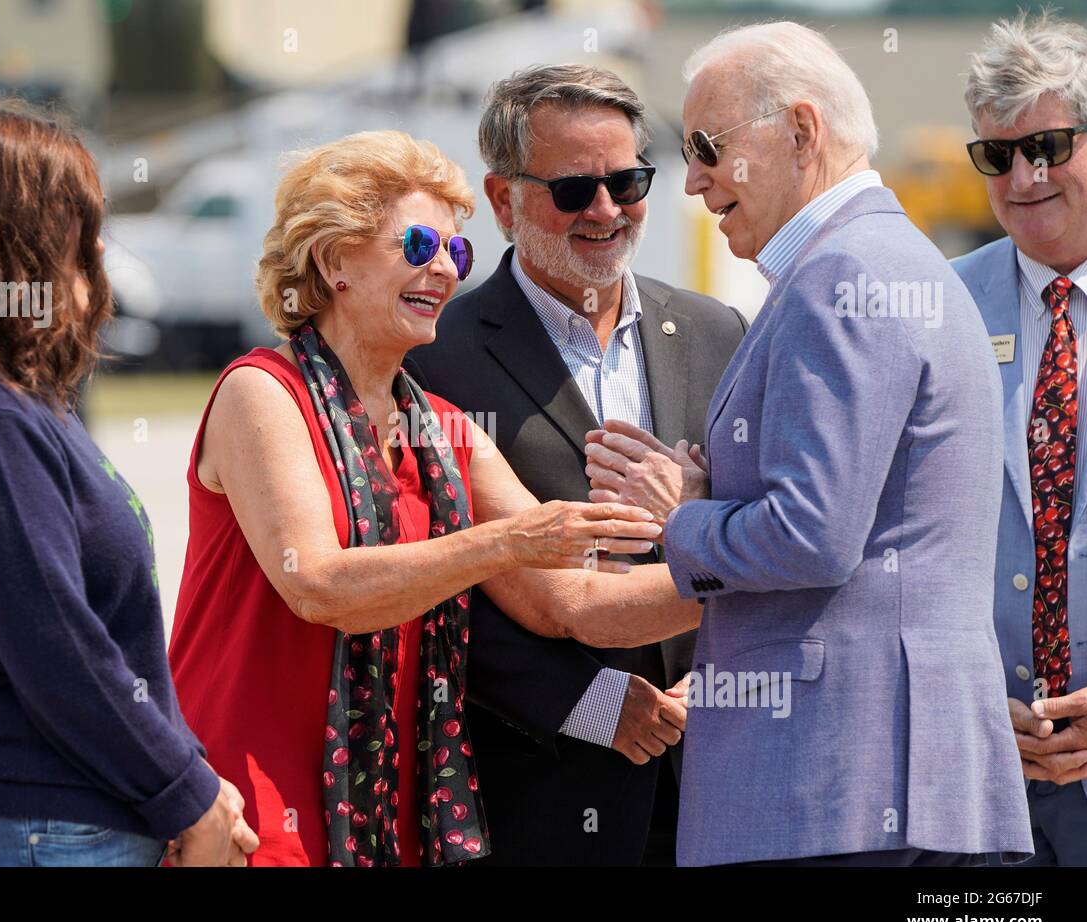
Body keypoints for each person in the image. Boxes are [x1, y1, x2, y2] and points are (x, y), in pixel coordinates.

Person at [167, 129, 702, 867]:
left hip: (385, 820)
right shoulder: (263, 393)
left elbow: (568, 600)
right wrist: (507, 542)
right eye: (419, 244)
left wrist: (745, 575)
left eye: (458, 253)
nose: (445, 270)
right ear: (332, 258)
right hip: (253, 811)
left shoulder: (445, 431)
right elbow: (319, 585)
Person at [591, 22, 1033, 865]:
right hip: (889, 780)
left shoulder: (844, 275)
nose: (694, 182)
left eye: (709, 148)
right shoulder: (894, 260)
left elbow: (811, 535)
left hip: (830, 787)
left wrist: (678, 514)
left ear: (800, 131)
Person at [0, 102, 258, 867]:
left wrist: (192, 771)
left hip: (55, 824)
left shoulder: (20, 407)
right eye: (77, 221)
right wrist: (188, 794)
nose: (98, 245)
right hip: (25, 827)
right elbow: (57, 648)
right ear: (18, 242)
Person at [406, 64, 746, 866]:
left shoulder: (717, 331)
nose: (605, 210)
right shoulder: (433, 360)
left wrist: (734, 668)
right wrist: (588, 703)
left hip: (718, 776)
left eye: (627, 181)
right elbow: (432, 579)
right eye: (572, 191)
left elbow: (764, 523)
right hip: (541, 789)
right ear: (502, 200)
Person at [954, 10, 1087, 865]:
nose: (1026, 174)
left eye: (1049, 145)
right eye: (998, 155)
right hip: (979, 779)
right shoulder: (935, 306)